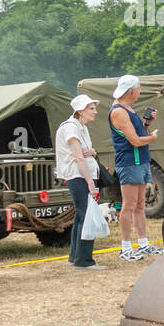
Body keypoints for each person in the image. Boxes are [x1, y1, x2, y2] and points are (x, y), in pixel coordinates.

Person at [108, 74, 162, 260]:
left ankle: (143, 244)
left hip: (140, 161)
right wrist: (153, 138)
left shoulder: (128, 108)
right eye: (138, 89)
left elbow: (139, 134)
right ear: (131, 91)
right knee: (129, 205)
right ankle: (125, 247)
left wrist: (147, 124)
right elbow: (135, 141)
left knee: (140, 205)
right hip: (130, 162)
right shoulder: (118, 112)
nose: (140, 92)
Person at [55, 94, 105, 270]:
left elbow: (86, 153)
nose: (95, 112)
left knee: (80, 215)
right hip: (78, 176)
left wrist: (91, 151)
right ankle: (84, 260)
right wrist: (90, 182)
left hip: (80, 176)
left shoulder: (81, 127)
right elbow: (78, 157)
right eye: (91, 108)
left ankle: (75, 256)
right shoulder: (71, 128)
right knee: (86, 216)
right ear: (80, 111)